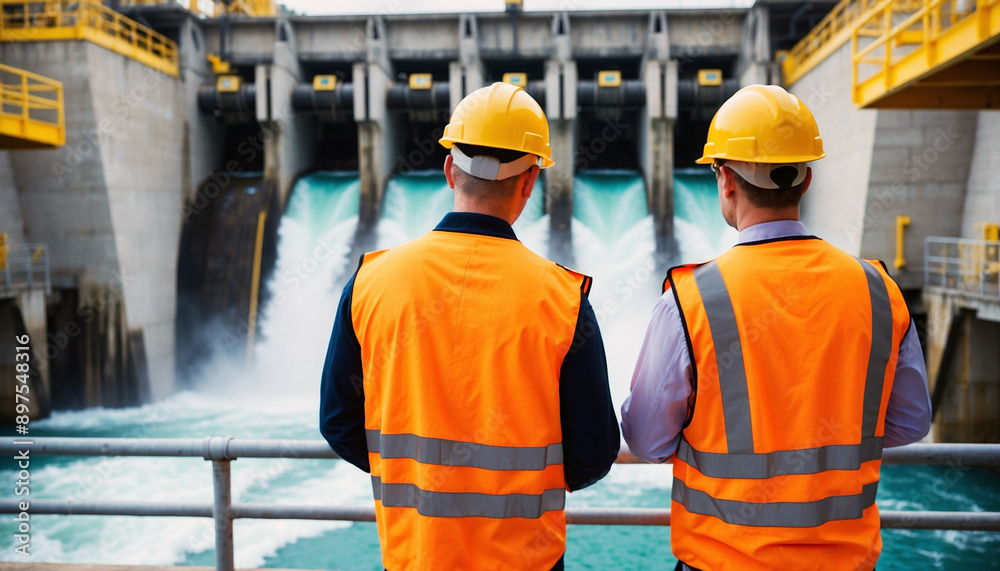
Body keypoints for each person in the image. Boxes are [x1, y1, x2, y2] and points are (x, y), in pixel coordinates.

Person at [621, 84, 931, 571]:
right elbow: (911, 423)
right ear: (806, 180)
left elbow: (645, 439)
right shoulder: (878, 290)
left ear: (725, 180)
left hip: (723, 560)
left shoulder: (690, 299)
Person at [320, 82, 620, 571]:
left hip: (414, 555)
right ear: (529, 183)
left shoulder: (370, 282)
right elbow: (593, 454)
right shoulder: (563, 299)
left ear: (448, 170)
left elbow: (338, 421)